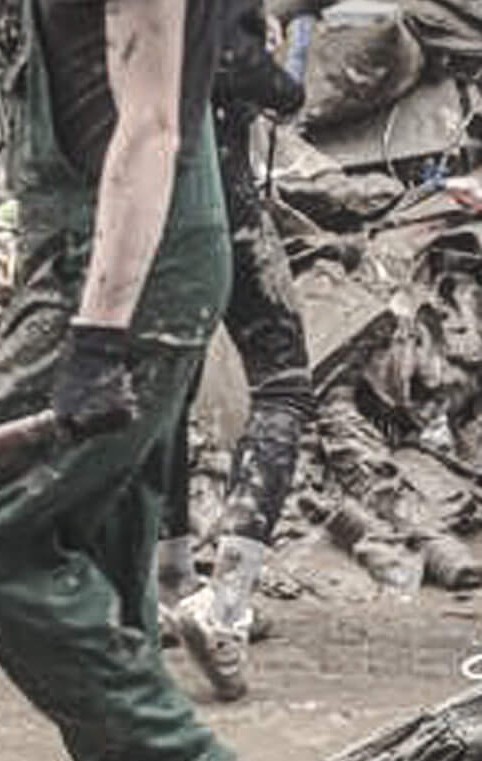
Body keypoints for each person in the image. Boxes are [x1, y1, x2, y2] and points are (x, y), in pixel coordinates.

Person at [0, 0, 258, 761]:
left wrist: (98, 338)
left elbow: (150, 127)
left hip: (139, 262)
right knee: (103, 541)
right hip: (93, 237)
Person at [158, 0, 318, 702]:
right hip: (213, 192)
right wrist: (285, 86)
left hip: (142, 196)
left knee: (171, 383)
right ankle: (225, 607)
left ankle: (167, 580)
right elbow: (229, 56)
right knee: (283, 381)